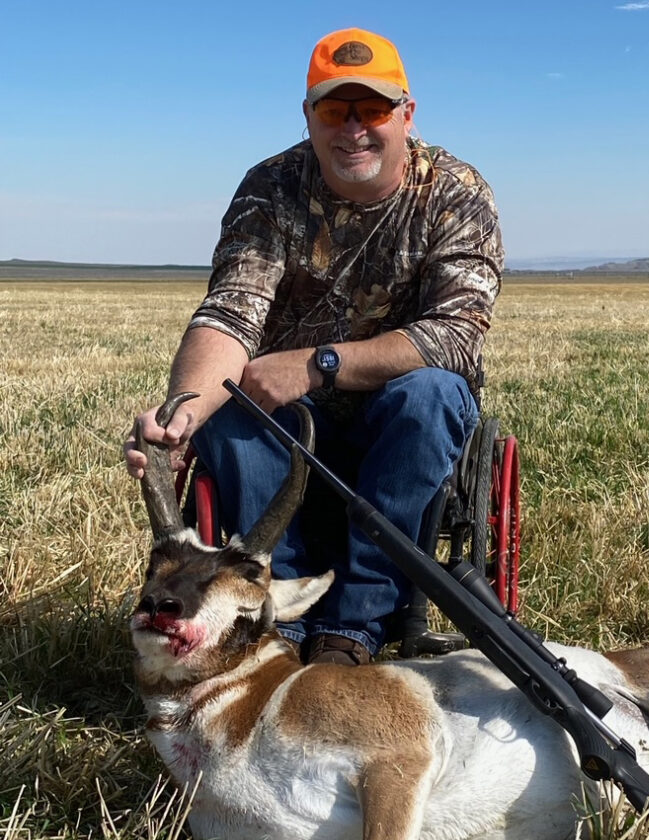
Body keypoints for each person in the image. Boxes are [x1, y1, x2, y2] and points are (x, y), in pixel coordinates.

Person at [125, 27, 504, 666]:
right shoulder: (271, 187)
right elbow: (231, 311)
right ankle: (281, 617)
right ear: (309, 116)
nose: (353, 128)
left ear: (406, 114)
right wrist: (181, 414)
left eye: (373, 110)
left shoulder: (456, 193)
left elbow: (457, 333)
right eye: (334, 109)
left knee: (432, 393)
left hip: (397, 420)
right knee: (229, 400)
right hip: (286, 430)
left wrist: (318, 365)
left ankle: (356, 624)